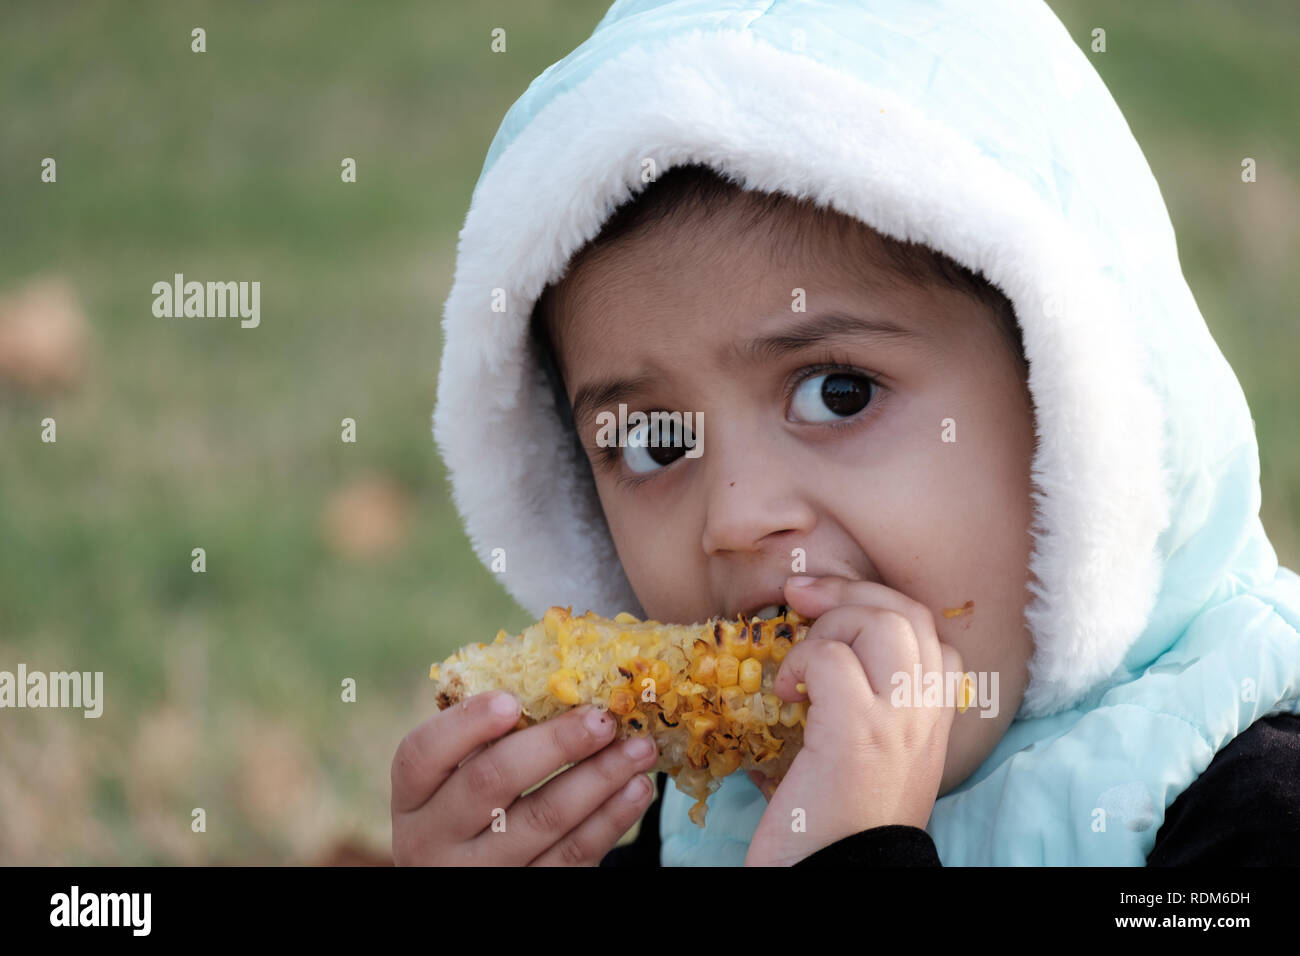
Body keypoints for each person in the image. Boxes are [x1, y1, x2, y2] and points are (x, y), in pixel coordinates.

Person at [394, 0, 1300, 866]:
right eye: (655, 444)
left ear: (1069, 414)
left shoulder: (1251, 803)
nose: (738, 520)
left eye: (837, 393)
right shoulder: (693, 824)